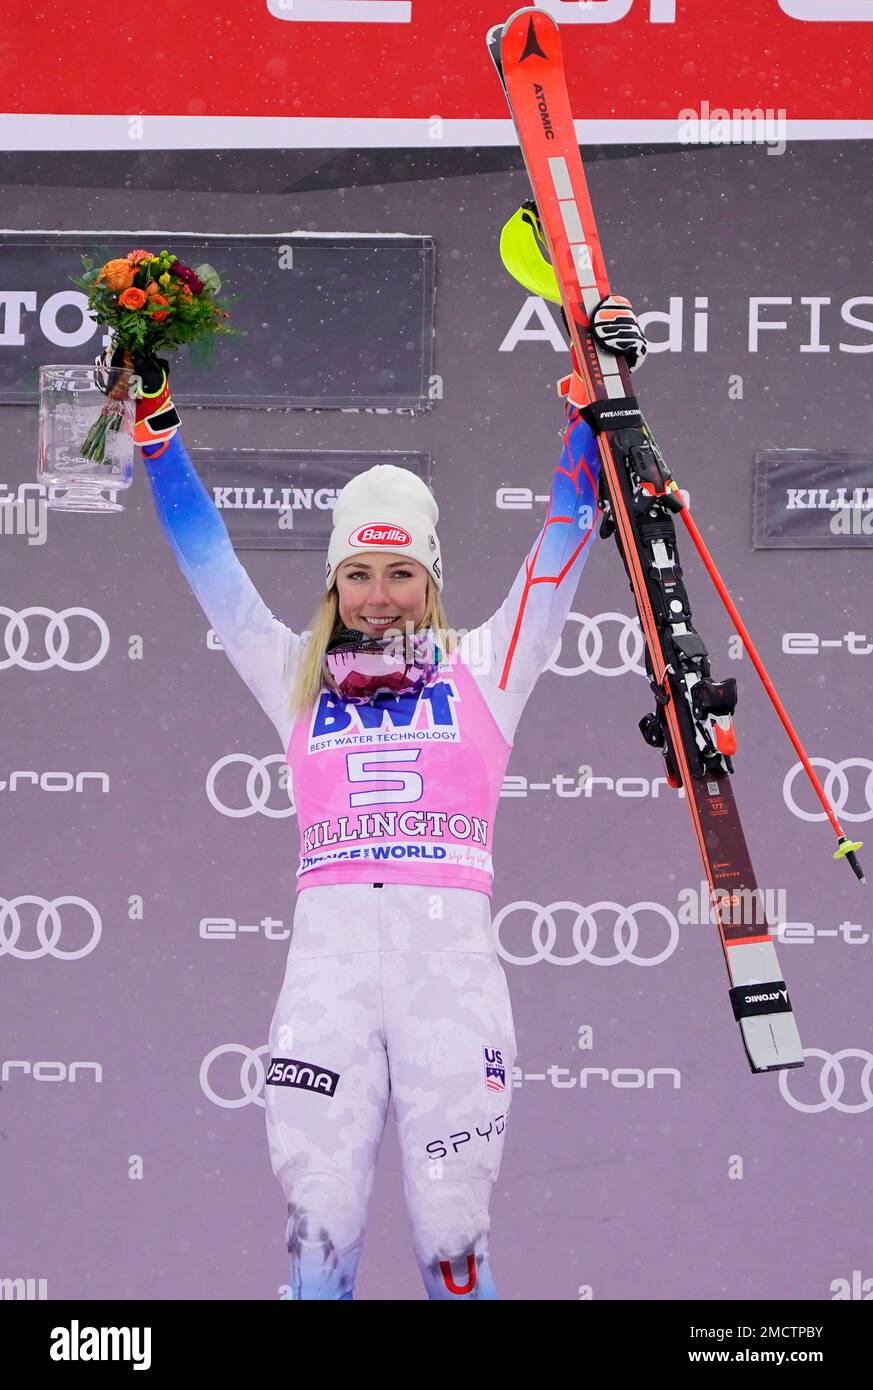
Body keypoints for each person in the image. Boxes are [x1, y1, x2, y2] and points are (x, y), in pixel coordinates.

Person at [100, 236, 646, 1300]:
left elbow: (568, 528)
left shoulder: (490, 665)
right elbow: (203, 549)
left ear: (432, 577)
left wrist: (596, 393)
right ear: (336, 579)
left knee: (454, 1234)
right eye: (360, 573)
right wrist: (153, 420)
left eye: (401, 572)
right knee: (319, 1228)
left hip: (451, 983)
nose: (381, 594)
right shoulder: (295, 673)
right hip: (331, 980)